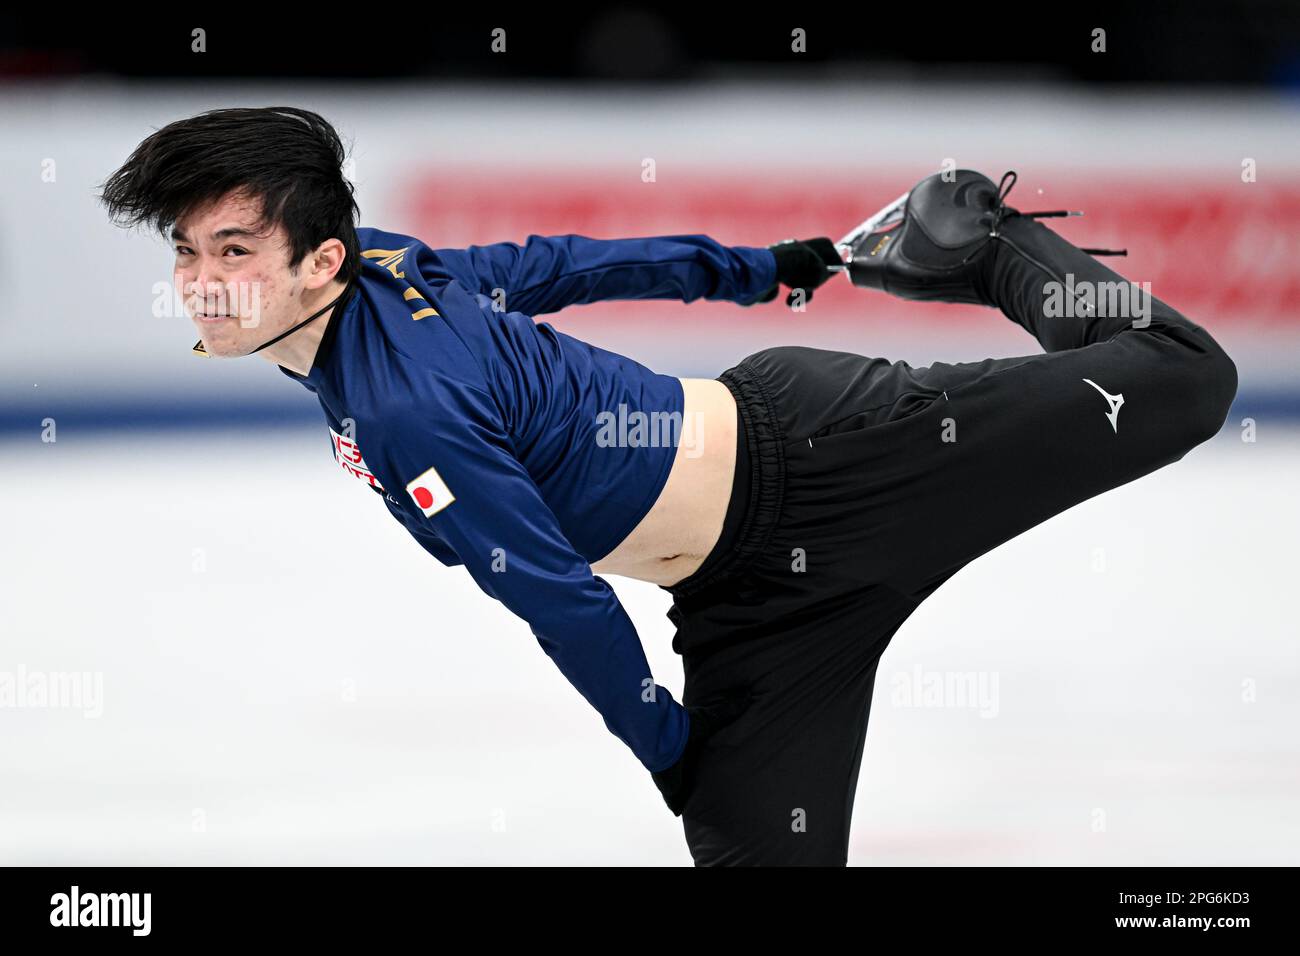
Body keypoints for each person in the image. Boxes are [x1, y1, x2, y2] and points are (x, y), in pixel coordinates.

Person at [100, 106, 1237, 866]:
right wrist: (754, 270)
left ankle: (980, 245)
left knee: (1185, 380)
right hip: (754, 609)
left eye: (234, 252)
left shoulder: (410, 410)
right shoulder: (391, 270)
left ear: (320, 260)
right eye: (188, 255)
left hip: (840, 461)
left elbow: (555, 590)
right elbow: (554, 266)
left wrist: (667, 745)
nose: (202, 285)